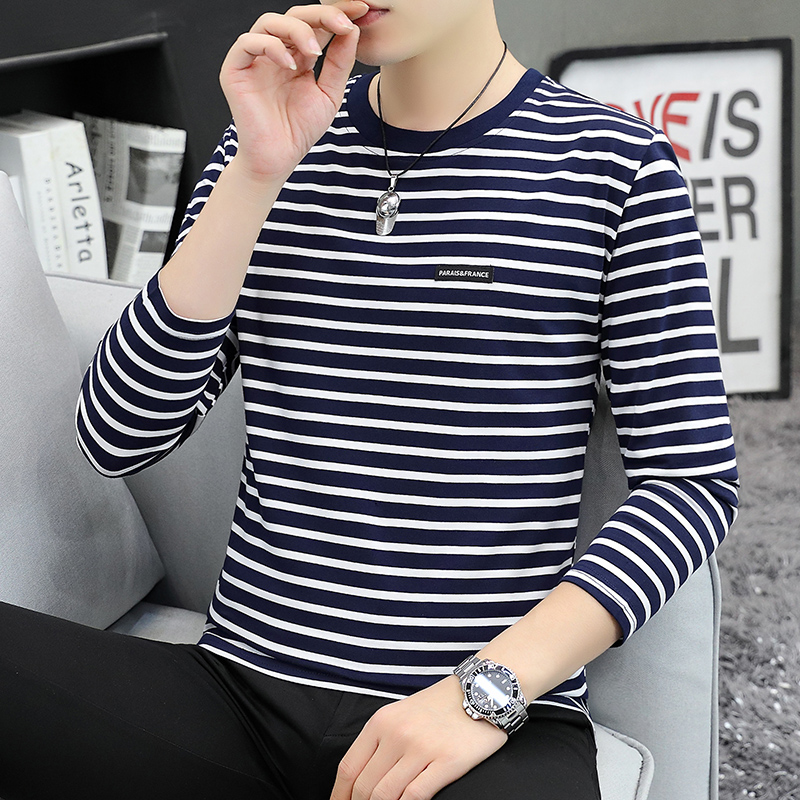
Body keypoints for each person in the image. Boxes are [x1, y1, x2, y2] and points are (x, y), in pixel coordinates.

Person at [0, 1, 738, 799]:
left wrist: (481, 694)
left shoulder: (616, 165)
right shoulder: (261, 147)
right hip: (237, 699)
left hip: (483, 733)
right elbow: (115, 435)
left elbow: (692, 485)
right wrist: (255, 173)